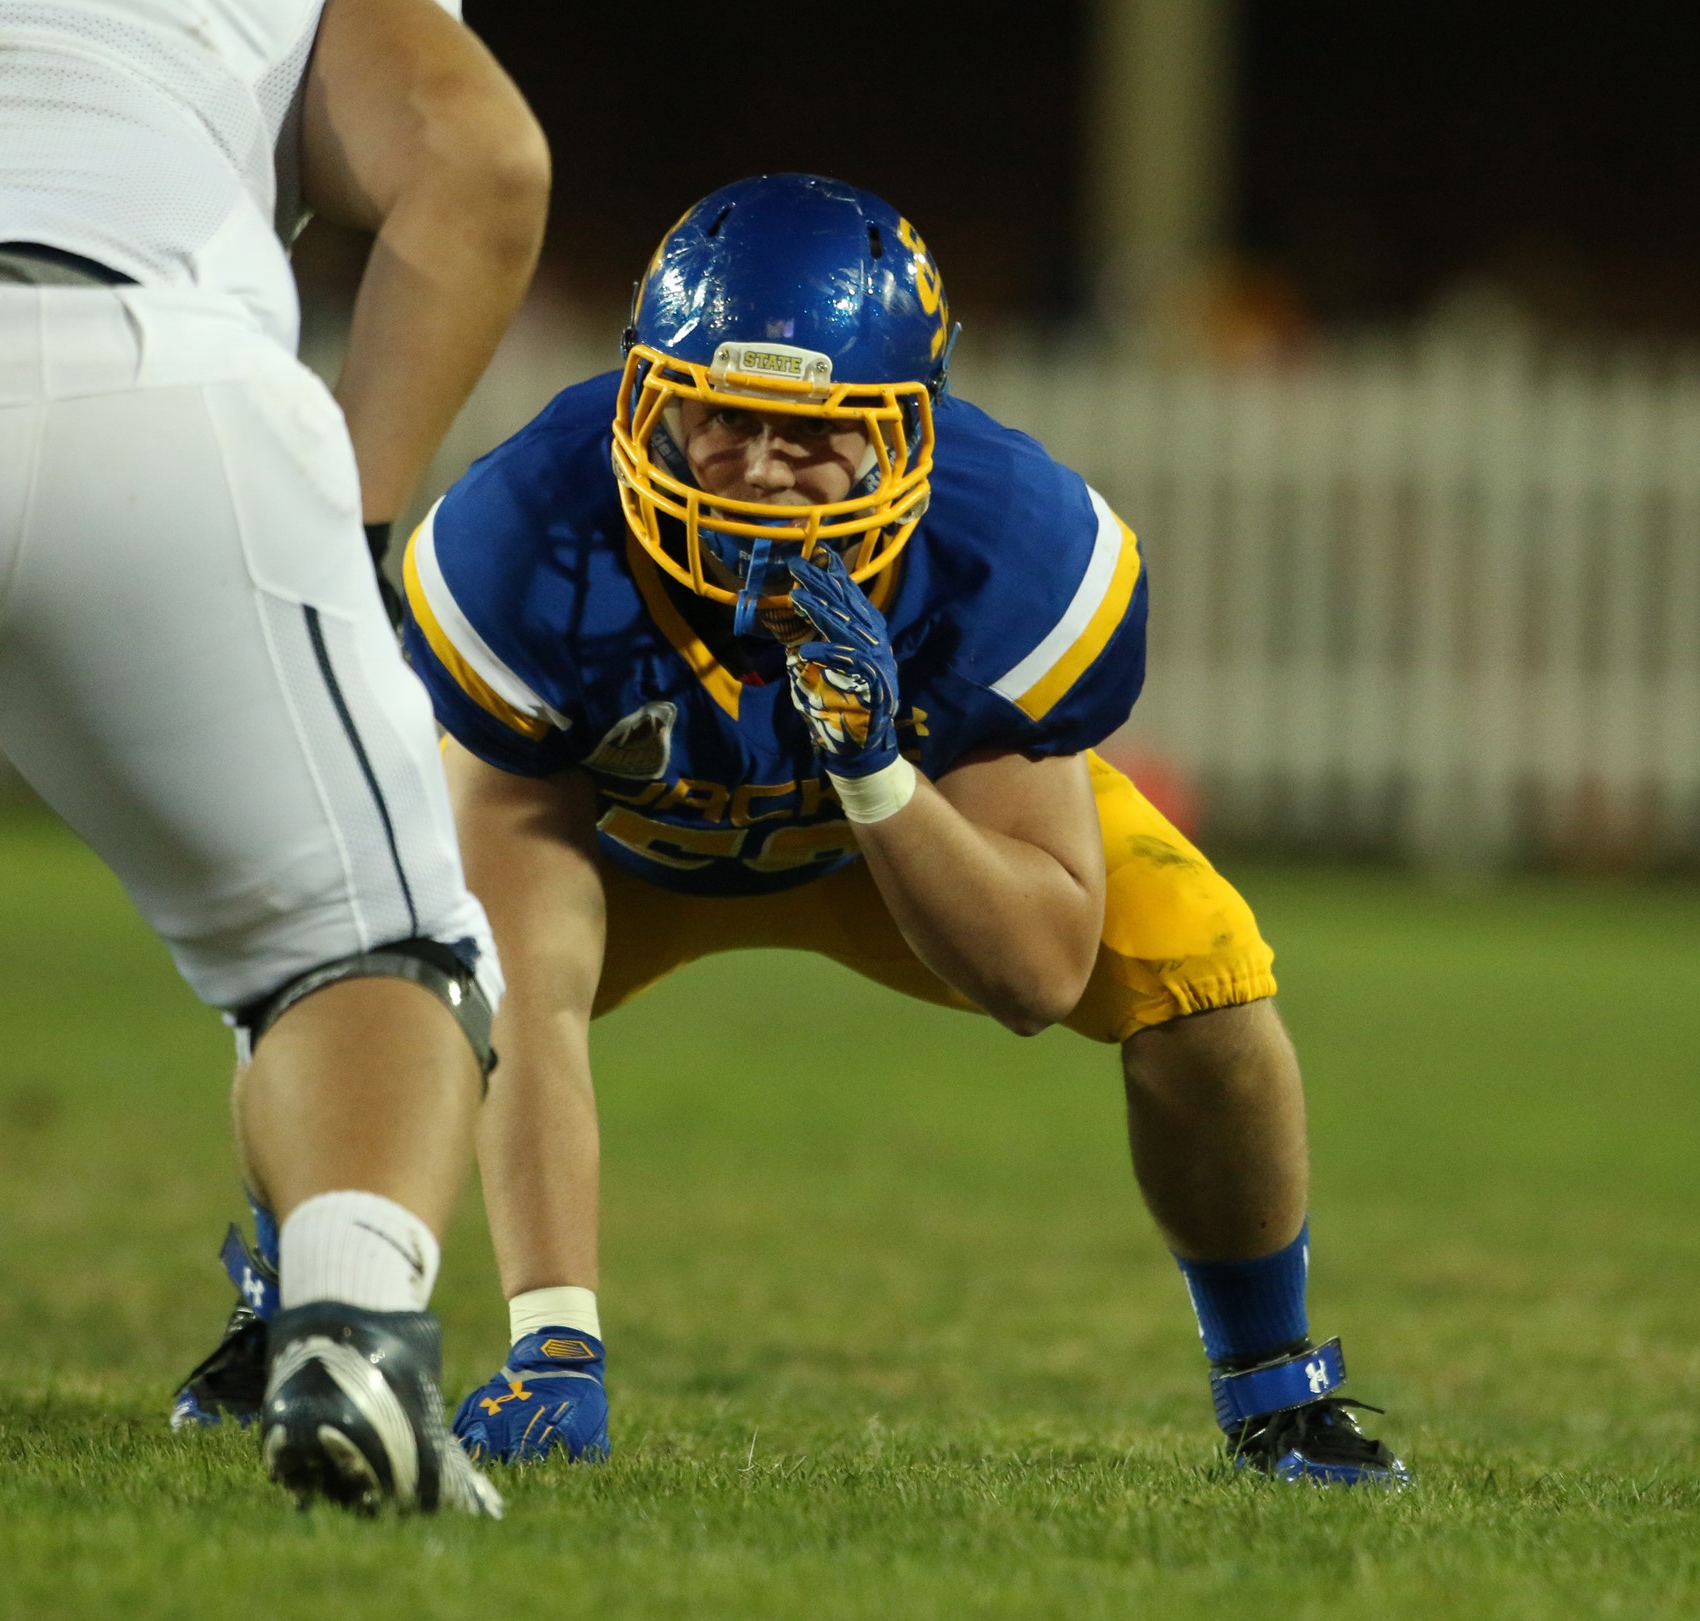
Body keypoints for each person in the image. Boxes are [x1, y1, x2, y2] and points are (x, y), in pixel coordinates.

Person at [175, 173, 1406, 1486]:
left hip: (899, 840)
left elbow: (1037, 973)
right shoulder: (525, 537)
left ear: (907, 431)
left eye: (810, 430)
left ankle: (1277, 1394)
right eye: (723, 417)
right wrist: (556, 1344)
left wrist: (876, 772)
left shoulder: (1012, 546)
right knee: (371, 980)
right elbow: (524, 979)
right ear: (654, 401)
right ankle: (294, 1299)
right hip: (626, 847)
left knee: (1206, 978)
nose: (760, 468)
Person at [0, 0, 547, 1516]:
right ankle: (352, 1338)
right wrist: (345, 523)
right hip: (109, 367)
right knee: (371, 951)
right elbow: (480, 163)